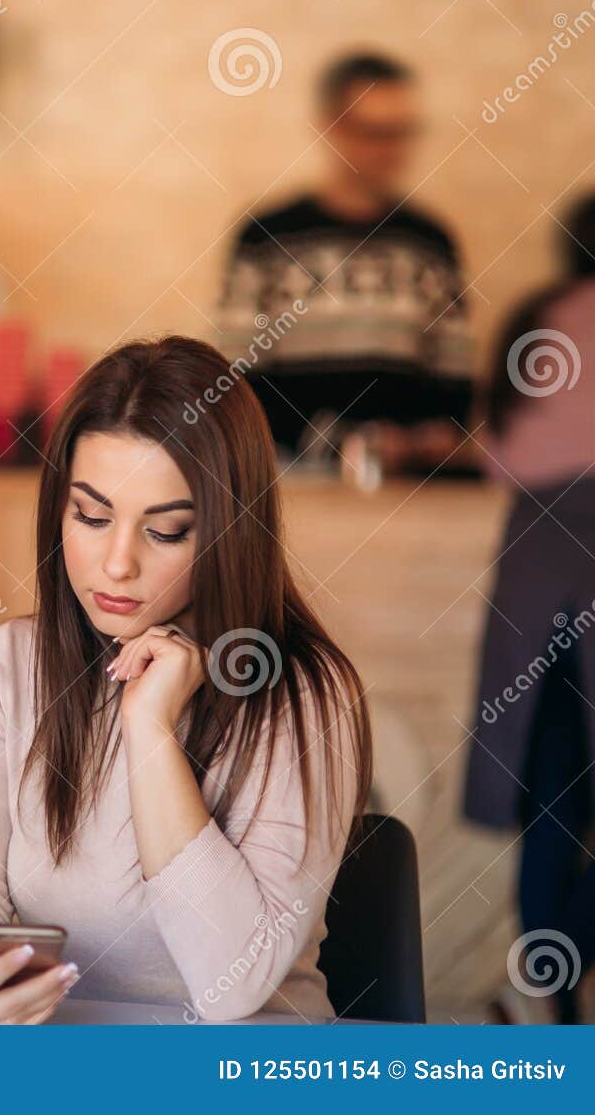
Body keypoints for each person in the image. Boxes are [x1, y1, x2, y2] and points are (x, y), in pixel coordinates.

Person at [0, 336, 372, 1024]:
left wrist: (150, 731)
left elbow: (230, 986)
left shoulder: (303, 695)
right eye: (91, 516)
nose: (116, 563)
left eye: (167, 531)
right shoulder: (9, 667)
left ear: (228, 531)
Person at [464, 194, 595, 1024]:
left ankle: (544, 996)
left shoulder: (535, 318)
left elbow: (496, 454)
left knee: (550, 801)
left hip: (531, 566)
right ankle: (551, 990)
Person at [217, 51, 473, 473]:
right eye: (375, 132)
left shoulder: (430, 241)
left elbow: (454, 382)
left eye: (402, 132)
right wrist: (341, 445)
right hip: (290, 485)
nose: (392, 151)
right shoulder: (265, 239)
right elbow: (238, 382)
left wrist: (412, 444)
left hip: (409, 490)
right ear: (329, 127)